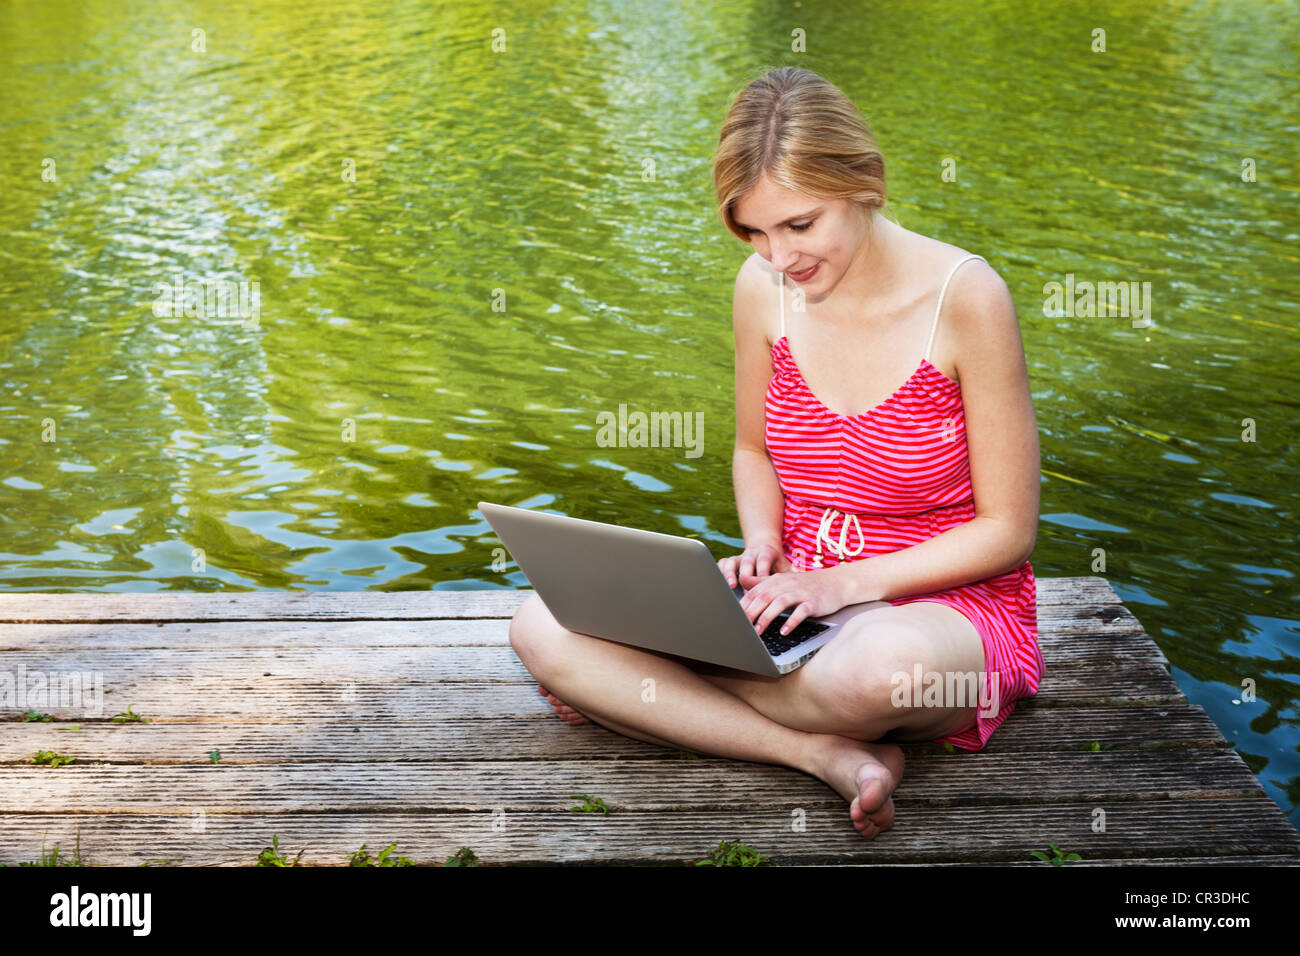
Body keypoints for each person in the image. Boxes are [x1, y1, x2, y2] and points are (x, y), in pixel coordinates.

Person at [508, 66, 1045, 839]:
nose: (779, 256)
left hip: (944, 608)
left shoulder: (967, 298)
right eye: (753, 231)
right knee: (542, 624)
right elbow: (753, 451)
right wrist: (763, 546)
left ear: (868, 182)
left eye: (800, 224)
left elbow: (1006, 533)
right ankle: (820, 755)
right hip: (793, 603)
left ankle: (650, 694)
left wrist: (843, 586)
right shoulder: (762, 286)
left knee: (879, 673)